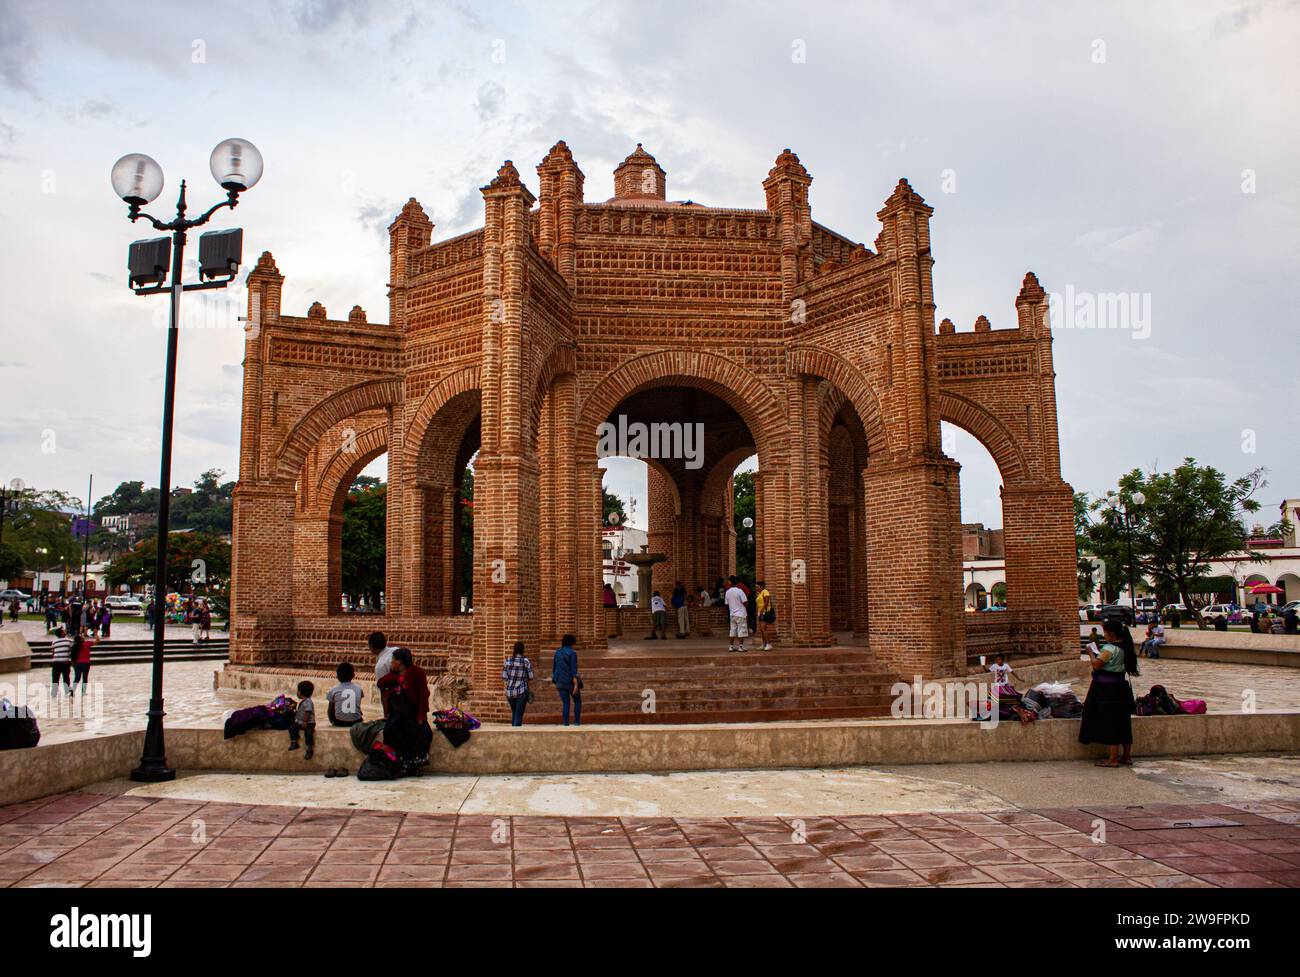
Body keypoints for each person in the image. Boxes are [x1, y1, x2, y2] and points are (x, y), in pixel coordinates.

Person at [1079, 617, 1139, 767]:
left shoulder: (1109, 649)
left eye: (1105, 632)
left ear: (1111, 634)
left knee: (1110, 721)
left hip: (1107, 690)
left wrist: (1090, 653)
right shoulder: (1126, 648)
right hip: (1121, 688)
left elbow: (1097, 665)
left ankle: (1112, 759)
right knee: (1123, 721)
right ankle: (1126, 756)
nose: (1104, 635)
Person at [378, 648, 432, 771]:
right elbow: (381, 683)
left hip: (413, 713)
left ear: (400, 662)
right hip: (397, 714)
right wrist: (397, 679)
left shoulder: (417, 673)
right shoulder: (393, 675)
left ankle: (415, 762)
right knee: (390, 731)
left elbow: (423, 694)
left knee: (423, 733)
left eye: (393, 660)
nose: (391, 663)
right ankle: (398, 761)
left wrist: (421, 716)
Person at [502, 641, 534, 727]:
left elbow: (504, 677)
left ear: (514, 649)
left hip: (510, 692)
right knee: (519, 715)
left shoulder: (507, 661)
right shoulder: (525, 661)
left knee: (514, 713)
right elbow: (531, 676)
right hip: (521, 691)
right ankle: (515, 734)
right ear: (523, 650)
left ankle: (512, 733)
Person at [551, 633, 581, 726]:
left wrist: (555, 680)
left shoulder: (557, 652)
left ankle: (565, 724)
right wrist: (576, 685)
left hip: (560, 681)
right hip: (570, 682)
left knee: (566, 703)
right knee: (577, 702)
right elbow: (573, 670)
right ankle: (576, 722)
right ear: (572, 643)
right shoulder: (572, 653)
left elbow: (554, 668)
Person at [326, 662, 364, 727]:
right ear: (353, 675)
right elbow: (358, 705)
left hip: (339, 722)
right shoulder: (359, 689)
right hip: (356, 721)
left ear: (337, 676)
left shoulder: (333, 690)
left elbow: (330, 709)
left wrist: (332, 721)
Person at [288, 680, 316, 759]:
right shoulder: (304, 701)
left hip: (309, 723)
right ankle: (294, 742)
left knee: (308, 733)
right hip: (302, 722)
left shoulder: (308, 702)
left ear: (300, 692)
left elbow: (307, 712)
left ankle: (309, 748)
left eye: (297, 690)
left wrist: (304, 722)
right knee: (292, 728)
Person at [724, 575, 749, 653]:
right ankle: (740, 647)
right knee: (741, 630)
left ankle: (731, 647)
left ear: (730, 582)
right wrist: (743, 607)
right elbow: (745, 602)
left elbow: (727, 603)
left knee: (732, 630)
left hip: (732, 614)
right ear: (737, 582)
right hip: (741, 613)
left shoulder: (727, 592)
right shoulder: (740, 591)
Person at [49, 626, 74, 697]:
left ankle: (54, 692)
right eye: (63, 631)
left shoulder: (54, 642)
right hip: (65, 662)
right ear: (61, 633)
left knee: (55, 677)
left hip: (56, 662)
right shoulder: (69, 641)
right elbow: (73, 649)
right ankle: (67, 691)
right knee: (66, 677)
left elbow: (53, 652)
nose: (65, 631)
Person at [755, 579, 775, 651]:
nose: (756, 588)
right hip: (760, 613)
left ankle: (769, 644)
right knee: (761, 629)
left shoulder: (765, 591)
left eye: (757, 587)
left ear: (761, 586)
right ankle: (764, 644)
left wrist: (762, 610)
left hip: (764, 612)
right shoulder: (760, 593)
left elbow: (767, 601)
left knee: (763, 629)